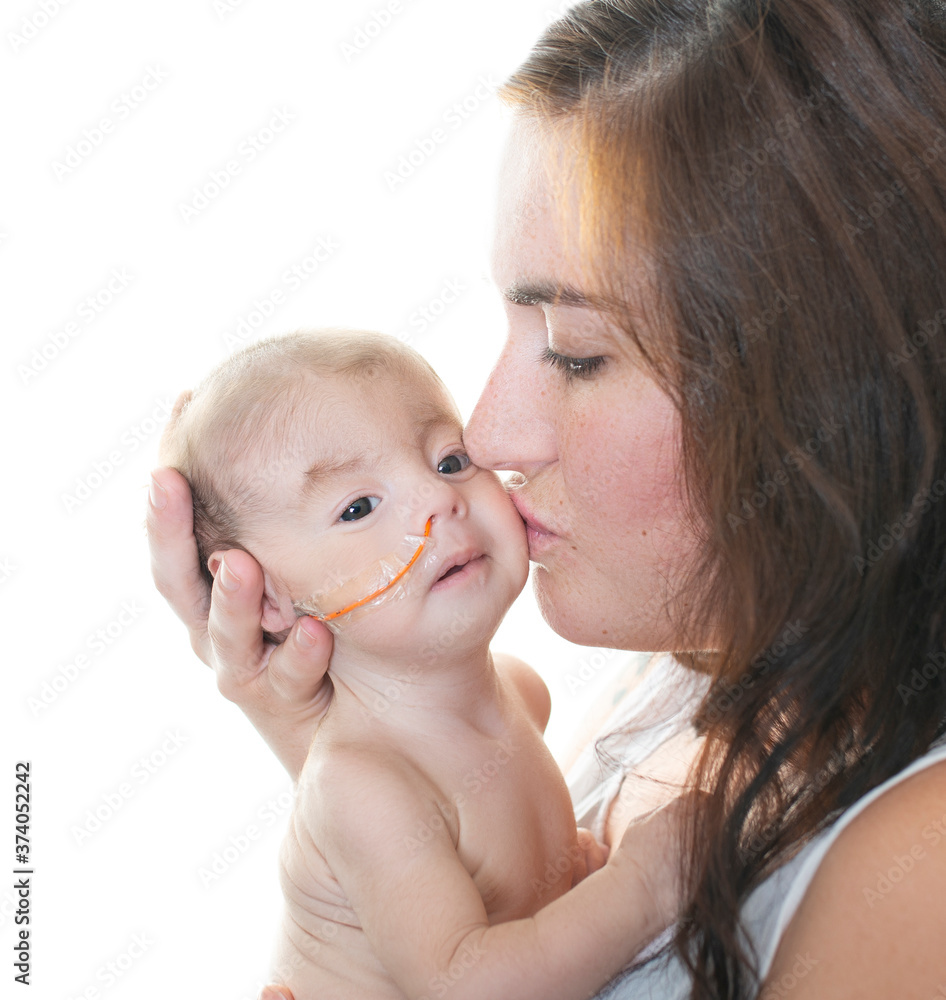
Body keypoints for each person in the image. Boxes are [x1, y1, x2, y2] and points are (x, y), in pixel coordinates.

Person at [148, 1, 946, 997]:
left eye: (578, 352)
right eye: (512, 326)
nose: (487, 437)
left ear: (831, 387)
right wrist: (320, 736)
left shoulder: (915, 870)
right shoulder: (675, 687)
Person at [157, 328, 694, 999]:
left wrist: (568, 886)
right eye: (358, 507)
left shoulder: (521, 694)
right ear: (267, 600)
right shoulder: (361, 787)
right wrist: (639, 887)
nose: (439, 499)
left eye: (448, 460)